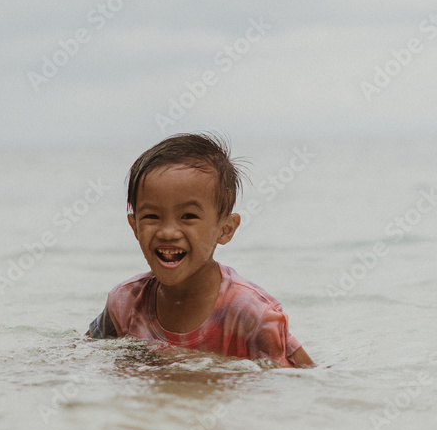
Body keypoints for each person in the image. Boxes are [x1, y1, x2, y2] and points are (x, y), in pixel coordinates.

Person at [86, 133, 315, 368]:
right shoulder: (125, 304)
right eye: (152, 216)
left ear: (225, 229)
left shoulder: (250, 314)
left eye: (188, 216)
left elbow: (299, 381)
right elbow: (84, 353)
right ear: (134, 226)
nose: (168, 232)